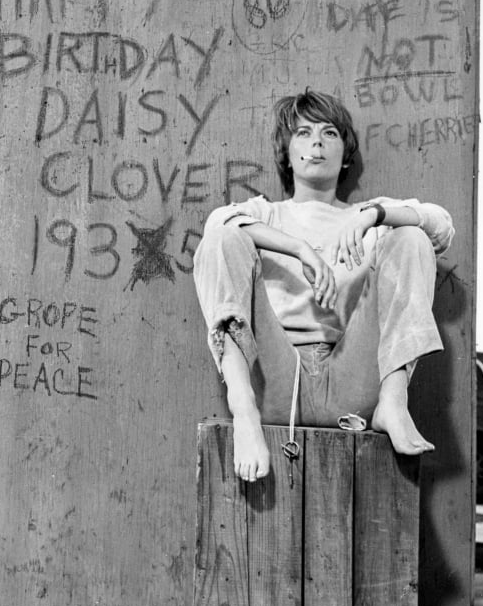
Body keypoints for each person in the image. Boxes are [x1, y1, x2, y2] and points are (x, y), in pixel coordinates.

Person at [193, 88, 454, 482]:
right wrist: (299, 248)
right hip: (275, 383)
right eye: (303, 133)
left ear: (345, 151)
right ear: (286, 150)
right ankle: (242, 408)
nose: (316, 143)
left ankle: (393, 403)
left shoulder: (364, 219)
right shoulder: (266, 214)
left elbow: (441, 227)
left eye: (329, 133)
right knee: (223, 235)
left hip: (352, 381)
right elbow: (217, 225)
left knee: (410, 235)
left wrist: (374, 215)